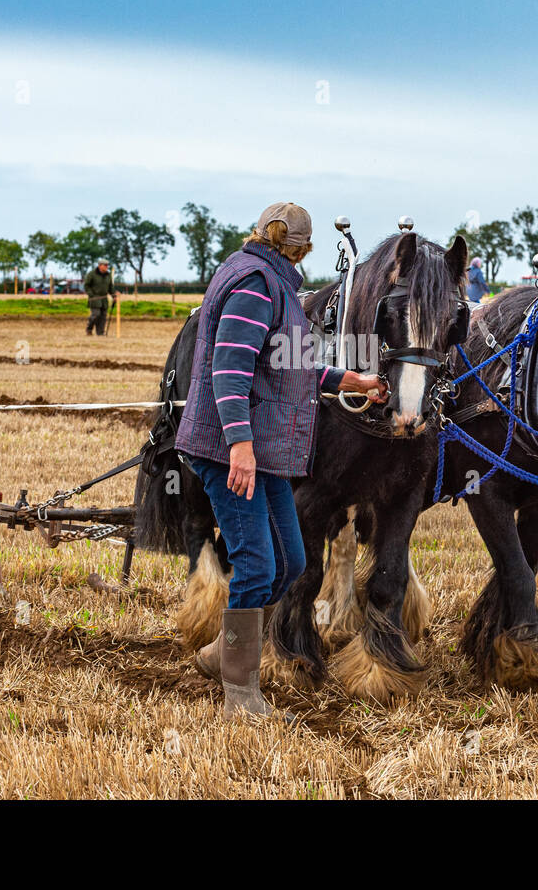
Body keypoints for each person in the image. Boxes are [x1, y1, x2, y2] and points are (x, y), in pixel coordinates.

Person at [175, 202, 388, 719]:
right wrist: (240, 448)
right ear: (299, 246)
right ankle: (240, 695)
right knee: (255, 564)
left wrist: (349, 380)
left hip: (262, 449)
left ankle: (221, 651)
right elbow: (230, 371)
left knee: (292, 562)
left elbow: (290, 362)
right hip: (231, 449)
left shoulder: (275, 284)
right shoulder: (254, 284)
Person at [83, 259, 118, 335]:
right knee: (96, 314)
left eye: (107, 265)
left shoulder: (108, 275)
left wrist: (114, 296)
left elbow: (110, 287)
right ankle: (89, 329)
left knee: (103, 316)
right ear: (99, 266)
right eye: (105, 265)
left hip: (104, 299)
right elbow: (86, 285)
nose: (106, 267)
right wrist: (91, 294)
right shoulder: (92, 274)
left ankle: (100, 332)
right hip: (95, 298)